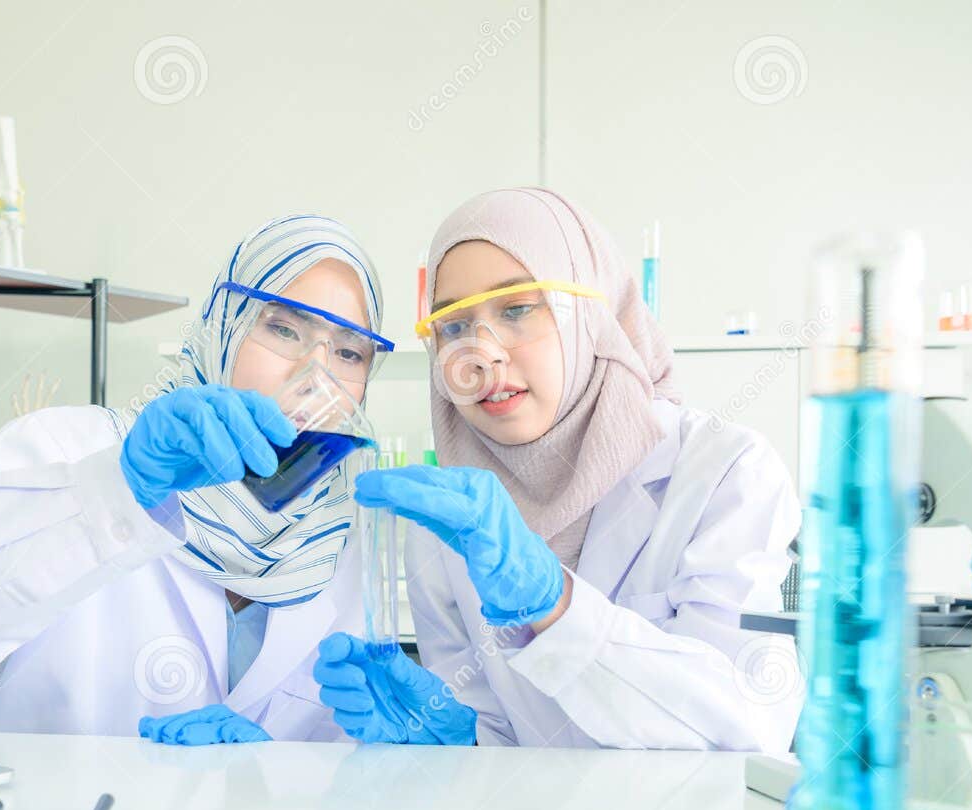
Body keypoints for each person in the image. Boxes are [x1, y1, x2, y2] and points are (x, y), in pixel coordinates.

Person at [0, 214, 392, 744]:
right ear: (225, 325)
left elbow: (337, 774)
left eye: (348, 352)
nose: (316, 377)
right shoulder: (68, 448)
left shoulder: (348, 535)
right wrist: (120, 490)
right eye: (284, 329)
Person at [314, 188, 800, 750]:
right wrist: (457, 737)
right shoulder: (446, 524)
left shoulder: (725, 473)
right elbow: (500, 738)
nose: (481, 355)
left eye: (517, 309)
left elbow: (751, 720)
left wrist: (557, 605)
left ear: (592, 318)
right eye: (453, 326)